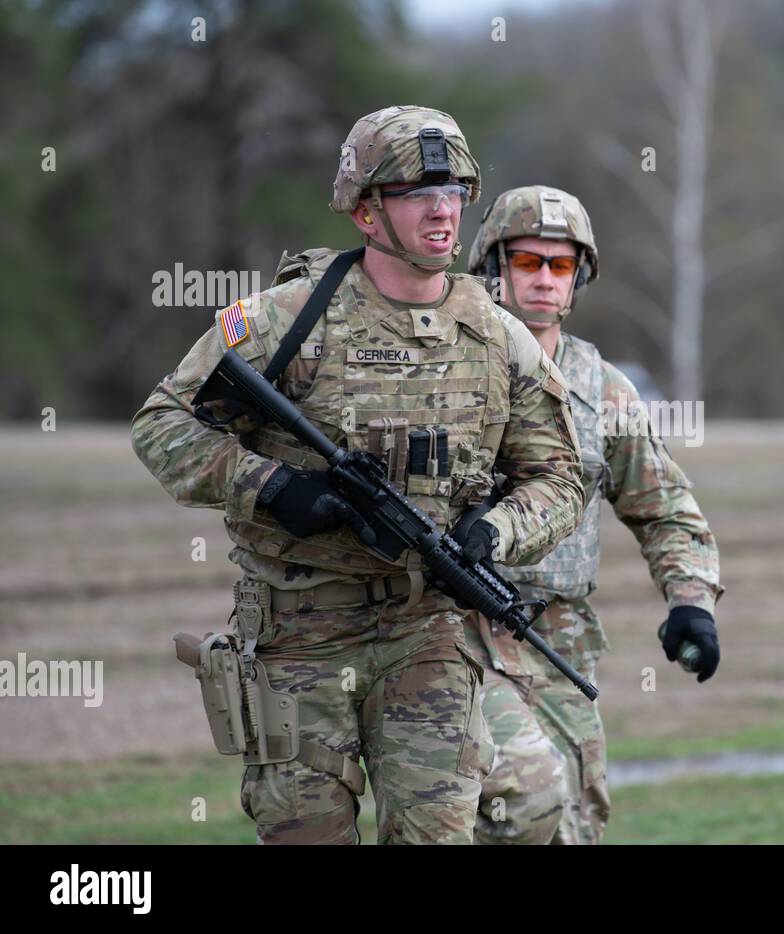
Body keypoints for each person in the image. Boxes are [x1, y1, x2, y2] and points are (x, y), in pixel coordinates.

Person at [131, 107, 585, 844]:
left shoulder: (499, 335)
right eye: (416, 192)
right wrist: (269, 487)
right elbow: (161, 425)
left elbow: (560, 478)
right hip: (299, 633)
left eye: (457, 191)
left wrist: (495, 531)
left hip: (429, 630)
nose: (444, 210)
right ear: (367, 211)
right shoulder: (284, 319)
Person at [463, 185, 723, 843]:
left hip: (559, 638)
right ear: (493, 267)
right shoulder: (450, 371)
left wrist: (690, 599)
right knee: (516, 802)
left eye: (561, 266)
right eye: (529, 263)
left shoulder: (602, 387)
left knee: (575, 824)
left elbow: (664, 506)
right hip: (456, 631)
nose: (546, 280)